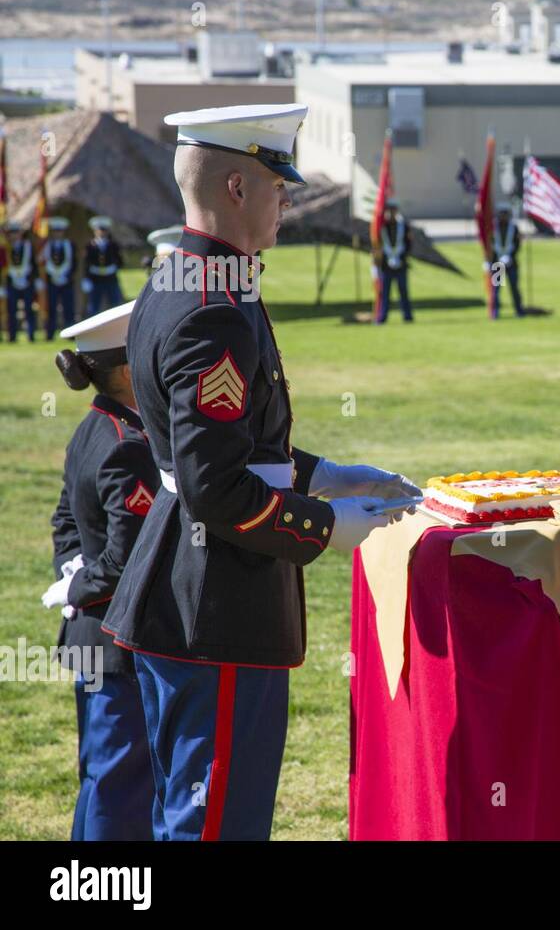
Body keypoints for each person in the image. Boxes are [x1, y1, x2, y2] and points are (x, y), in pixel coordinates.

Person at [102, 103, 418, 841]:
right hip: (215, 601)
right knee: (214, 822)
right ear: (238, 188)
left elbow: (217, 446)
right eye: (279, 185)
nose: (288, 201)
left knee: (191, 811)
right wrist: (327, 529)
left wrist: (325, 475)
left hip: (184, 590)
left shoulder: (187, 279)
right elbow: (214, 486)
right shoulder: (212, 305)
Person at [43, 300, 155, 840]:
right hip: (116, 638)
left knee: (102, 775)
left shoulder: (96, 426)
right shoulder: (126, 444)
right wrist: (78, 582)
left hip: (92, 632)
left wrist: (69, 572)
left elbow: (64, 518)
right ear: (131, 371)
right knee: (122, 782)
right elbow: (126, 558)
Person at [375, 198, 413, 323]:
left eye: (393, 211)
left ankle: (407, 316)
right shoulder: (381, 226)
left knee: (403, 292)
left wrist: (404, 257)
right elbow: (377, 244)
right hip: (386, 265)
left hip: (401, 264)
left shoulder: (404, 226)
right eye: (389, 211)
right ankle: (382, 317)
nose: (391, 213)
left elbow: (408, 243)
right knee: (385, 293)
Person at [42, 216, 79, 340]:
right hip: (51, 282)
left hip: (67, 281)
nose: (58, 233)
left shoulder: (69, 244)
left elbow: (74, 262)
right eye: (55, 231)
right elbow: (43, 262)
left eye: (60, 231)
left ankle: (70, 335)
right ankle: (49, 334)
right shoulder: (47, 245)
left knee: (68, 308)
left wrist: (68, 275)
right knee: (51, 308)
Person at [83, 216, 124, 317]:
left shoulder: (113, 245)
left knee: (116, 304)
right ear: (95, 231)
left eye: (104, 230)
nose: (102, 232)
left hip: (111, 278)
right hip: (95, 279)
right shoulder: (90, 246)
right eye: (99, 230)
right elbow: (86, 263)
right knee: (93, 307)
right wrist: (86, 278)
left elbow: (119, 261)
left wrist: (114, 268)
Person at [5, 221, 38, 342]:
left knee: (29, 310)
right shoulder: (5, 247)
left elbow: (34, 263)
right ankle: (12, 336)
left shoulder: (28, 245)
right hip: (11, 283)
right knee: (11, 310)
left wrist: (36, 278)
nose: (14, 235)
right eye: (11, 233)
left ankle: (31, 335)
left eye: (16, 232)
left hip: (27, 282)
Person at [491, 204, 525, 318]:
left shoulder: (513, 228)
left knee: (514, 287)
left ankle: (519, 310)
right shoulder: (492, 228)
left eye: (505, 214)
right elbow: (489, 243)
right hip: (497, 263)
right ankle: (495, 312)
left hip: (511, 262)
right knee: (496, 289)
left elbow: (517, 244)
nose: (503, 217)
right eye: (502, 214)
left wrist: (510, 255)